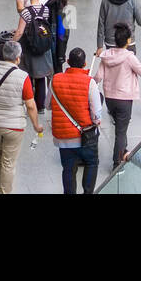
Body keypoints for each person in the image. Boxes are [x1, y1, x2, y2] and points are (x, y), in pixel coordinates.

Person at [0, 39, 43, 194]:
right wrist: (36, 125)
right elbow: (30, 105)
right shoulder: (23, 77)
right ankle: (4, 191)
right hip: (14, 127)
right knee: (8, 162)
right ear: (18, 58)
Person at [95, 23, 141, 168]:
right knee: (121, 131)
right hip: (124, 99)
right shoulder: (129, 57)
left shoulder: (106, 56)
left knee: (120, 127)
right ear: (128, 41)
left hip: (110, 98)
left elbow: (98, 77)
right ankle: (117, 162)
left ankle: (123, 149)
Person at [49, 47, 103, 194]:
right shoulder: (89, 83)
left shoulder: (55, 79)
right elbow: (96, 114)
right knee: (92, 163)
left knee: (68, 168)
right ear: (85, 63)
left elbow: (48, 105)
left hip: (64, 137)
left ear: (67, 62)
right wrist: (97, 122)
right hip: (86, 136)